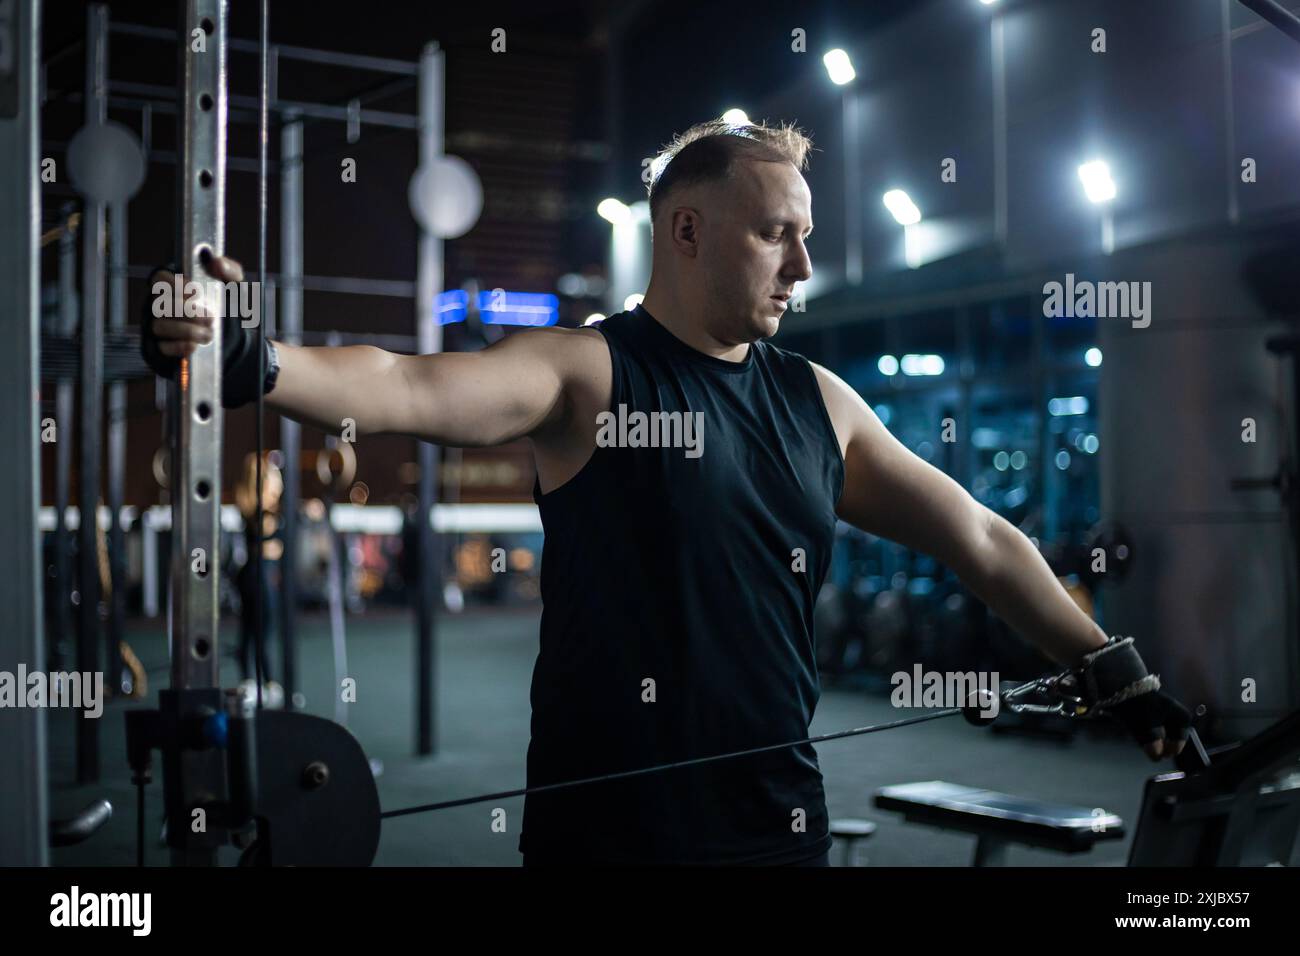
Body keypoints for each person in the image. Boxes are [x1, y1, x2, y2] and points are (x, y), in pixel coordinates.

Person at [141, 118, 1191, 866]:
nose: (804, 263)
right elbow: (407, 384)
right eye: (776, 232)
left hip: (778, 827)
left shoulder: (818, 402)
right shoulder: (588, 373)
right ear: (685, 232)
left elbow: (975, 533)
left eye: (806, 233)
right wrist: (251, 354)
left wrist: (1109, 664)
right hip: (607, 839)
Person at [233, 451, 284, 708]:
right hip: (258, 577)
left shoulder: (254, 506)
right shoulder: (261, 510)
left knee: (251, 631)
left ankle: (256, 681)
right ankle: (266, 684)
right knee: (260, 631)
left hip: (253, 575)